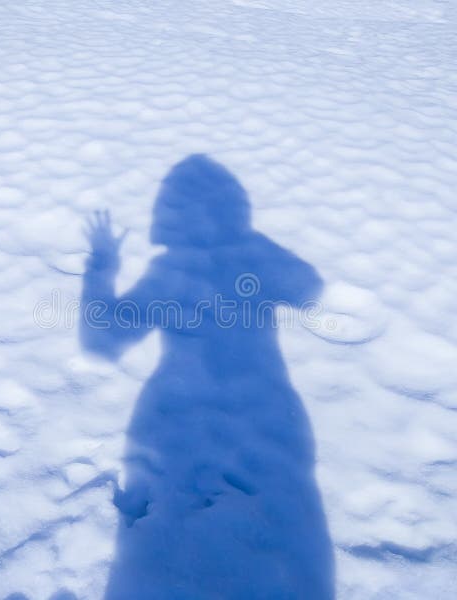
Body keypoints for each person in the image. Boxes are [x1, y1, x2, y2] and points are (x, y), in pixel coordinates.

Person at [81, 155, 334, 599]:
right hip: (264, 414)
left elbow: (104, 338)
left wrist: (102, 267)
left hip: (173, 418)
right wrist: (251, 247)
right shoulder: (248, 256)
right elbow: (308, 287)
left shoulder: (169, 271)